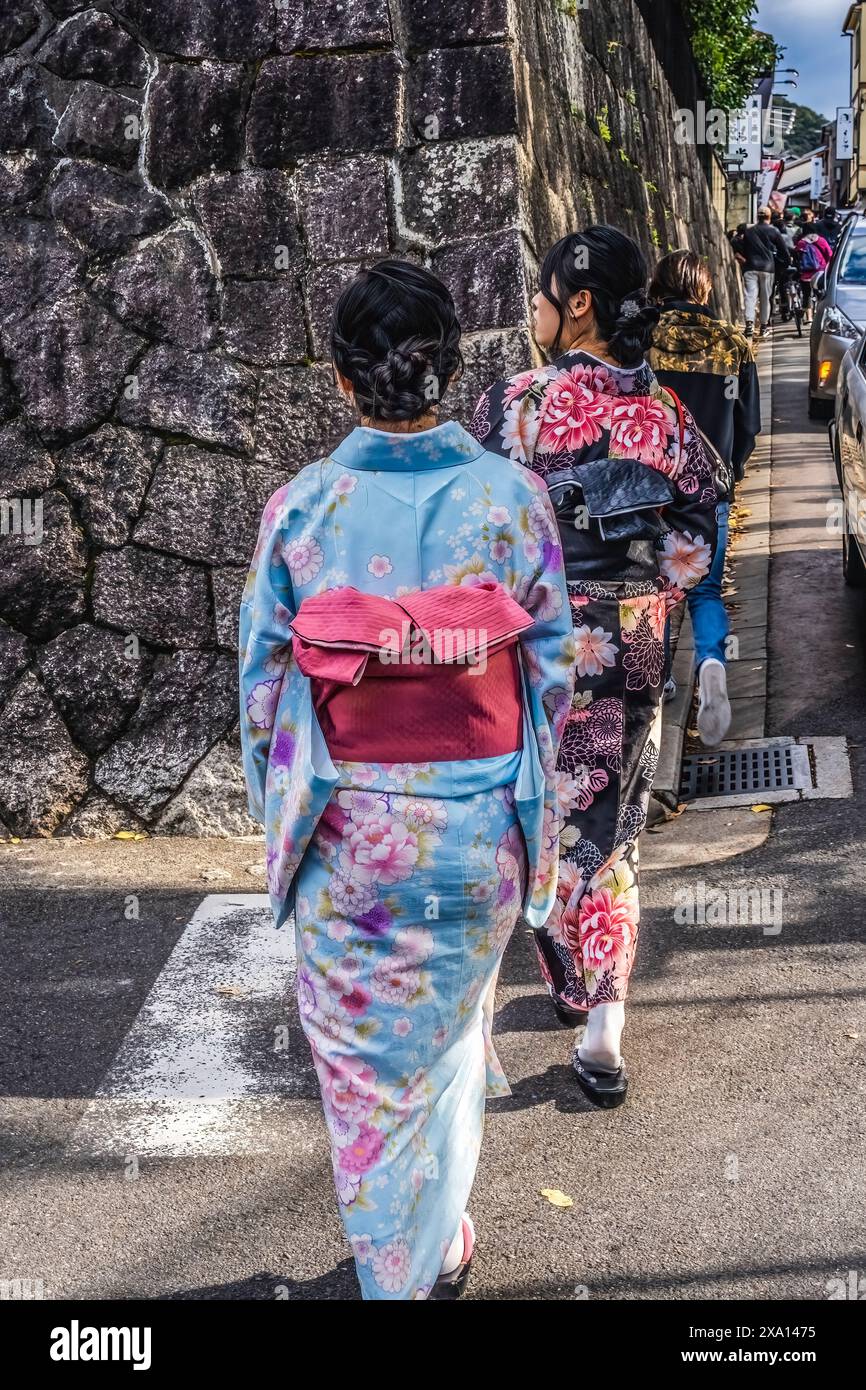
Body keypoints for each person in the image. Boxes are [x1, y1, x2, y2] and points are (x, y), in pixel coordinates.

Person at [240, 260, 574, 1300]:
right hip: (476, 832)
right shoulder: (512, 501)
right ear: (447, 368)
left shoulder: (301, 510)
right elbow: (551, 675)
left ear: (341, 380)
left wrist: (283, 812)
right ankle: (427, 1251)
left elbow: (262, 694)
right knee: (446, 1034)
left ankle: (402, 1267)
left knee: (364, 1073)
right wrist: (526, 804)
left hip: (352, 835)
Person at [471, 227, 719, 1108]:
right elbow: (698, 534)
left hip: (534, 634)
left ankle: (506, 1005)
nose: (534, 310)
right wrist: (660, 593)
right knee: (611, 820)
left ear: (576, 302)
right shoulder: (667, 414)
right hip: (636, 631)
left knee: (525, 806)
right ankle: (602, 1029)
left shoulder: (518, 404)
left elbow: (482, 528)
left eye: (541, 293)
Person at [648, 250, 761, 746]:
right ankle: (712, 660)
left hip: (652, 488)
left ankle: (661, 681)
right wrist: (730, 470)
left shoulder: (644, 341)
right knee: (705, 591)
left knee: (656, 592)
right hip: (709, 488)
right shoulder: (733, 345)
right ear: (704, 289)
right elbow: (749, 424)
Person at [732, 207, 790, 338]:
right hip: (767, 268)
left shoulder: (748, 231)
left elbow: (742, 248)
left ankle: (749, 326)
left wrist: (745, 260)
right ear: (769, 217)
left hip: (750, 267)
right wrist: (784, 264)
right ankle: (763, 328)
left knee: (750, 297)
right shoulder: (774, 231)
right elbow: (784, 251)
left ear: (757, 217)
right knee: (765, 298)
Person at [795, 225, 832, 324]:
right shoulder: (821, 240)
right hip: (820, 273)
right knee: (821, 294)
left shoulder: (801, 243)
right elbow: (829, 255)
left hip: (806, 274)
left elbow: (797, 258)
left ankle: (809, 317)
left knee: (806, 294)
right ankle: (821, 315)